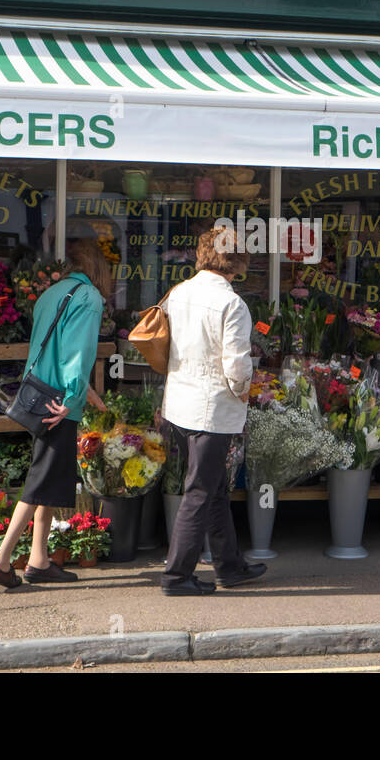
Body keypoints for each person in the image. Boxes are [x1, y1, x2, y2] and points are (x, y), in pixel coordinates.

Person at [0, 235, 111, 589]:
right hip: (58, 403)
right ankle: (2, 559)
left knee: (51, 479)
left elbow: (52, 349)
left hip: (39, 394)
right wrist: (73, 395)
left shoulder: (53, 294)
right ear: (98, 269)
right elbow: (76, 353)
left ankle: (38, 560)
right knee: (41, 481)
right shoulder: (88, 298)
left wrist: (89, 394)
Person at [160, 225, 266, 596]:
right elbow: (237, 366)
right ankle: (176, 576)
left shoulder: (178, 293)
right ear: (236, 261)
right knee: (201, 491)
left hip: (179, 405)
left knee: (214, 487)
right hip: (211, 410)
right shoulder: (232, 304)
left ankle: (229, 566)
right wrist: (244, 394)